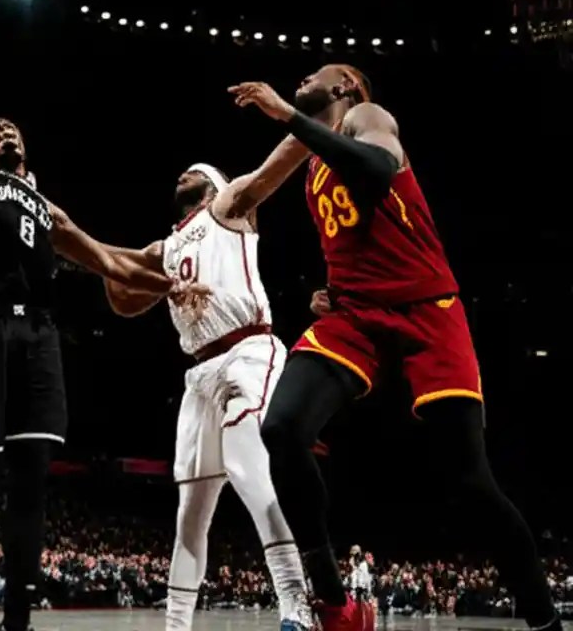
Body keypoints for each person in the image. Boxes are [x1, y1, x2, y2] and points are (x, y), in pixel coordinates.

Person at [231, 65, 560, 631]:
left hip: (426, 310)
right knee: (280, 428)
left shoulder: (367, 117)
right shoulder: (313, 168)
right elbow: (360, 241)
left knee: (472, 483)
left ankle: (543, 620)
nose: (305, 75)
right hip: (357, 317)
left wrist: (286, 113)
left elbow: (379, 171)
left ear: (345, 88)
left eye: (319, 72)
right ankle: (336, 604)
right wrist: (330, 293)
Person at [0, 52, 178, 631]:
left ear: (27, 148)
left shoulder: (47, 209)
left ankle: (19, 616)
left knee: (32, 478)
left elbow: (110, 261)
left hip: (37, 335)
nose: (4, 132)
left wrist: (178, 284)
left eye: (13, 129)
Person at [102, 159, 313, 631]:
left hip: (247, 350)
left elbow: (272, 170)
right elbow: (120, 297)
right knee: (191, 511)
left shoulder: (229, 207)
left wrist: (303, 122)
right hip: (199, 373)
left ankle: (296, 604)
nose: (183, 172)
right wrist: (100, 258)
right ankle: (177, 624)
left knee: (248, 468)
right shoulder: (167, 247)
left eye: (195, 171)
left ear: (215, 184)